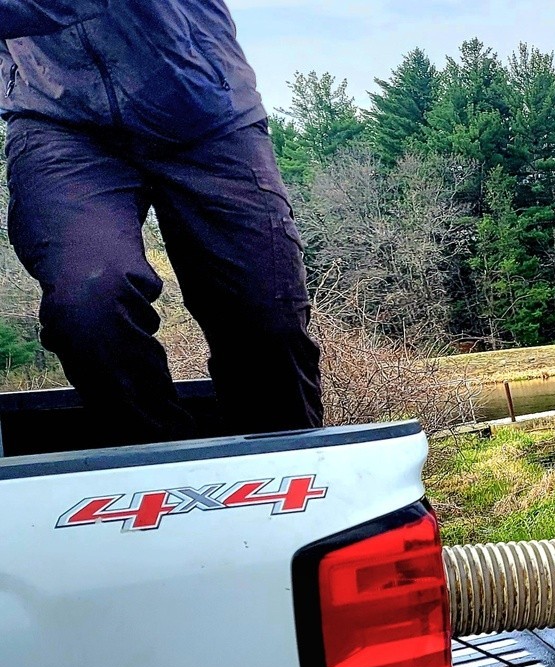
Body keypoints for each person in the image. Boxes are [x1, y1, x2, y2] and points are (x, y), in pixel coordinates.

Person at [1, 1, 321, 446]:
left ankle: (285, 470)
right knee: (89, 303)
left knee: (264, 314)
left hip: (207, 108)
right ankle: (151, 467)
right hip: (56, 120)